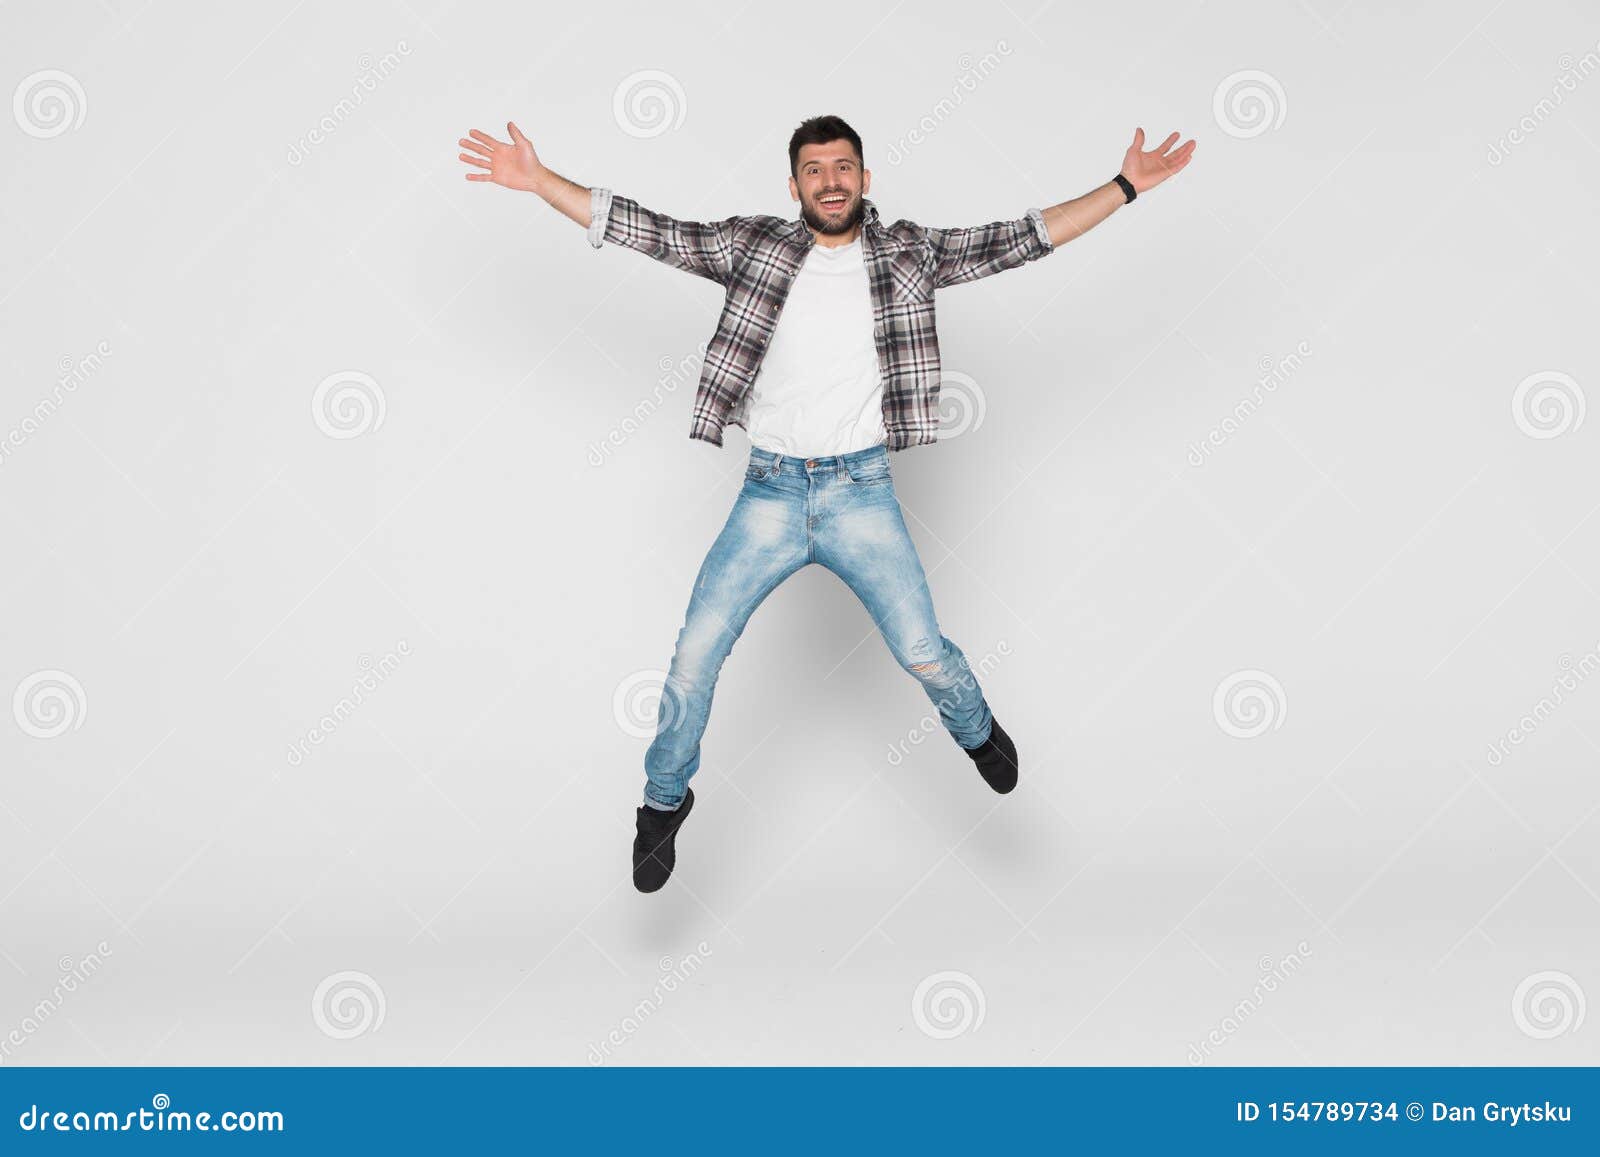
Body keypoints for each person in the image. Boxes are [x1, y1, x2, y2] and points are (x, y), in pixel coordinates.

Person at [458, 114, 1196, 892]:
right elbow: (651, 231)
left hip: (860, 493)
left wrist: (1124, 187)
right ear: (795, 185)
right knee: (693, 656)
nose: (831, 181)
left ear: (865, 179)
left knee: (923, 651)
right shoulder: (753, 246)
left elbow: (1026, 237)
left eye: (843, 167)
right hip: (770, 492)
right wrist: (539, 181)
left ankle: (975, 728)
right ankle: (663, 801)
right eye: (815, 170)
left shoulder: (910, 253)